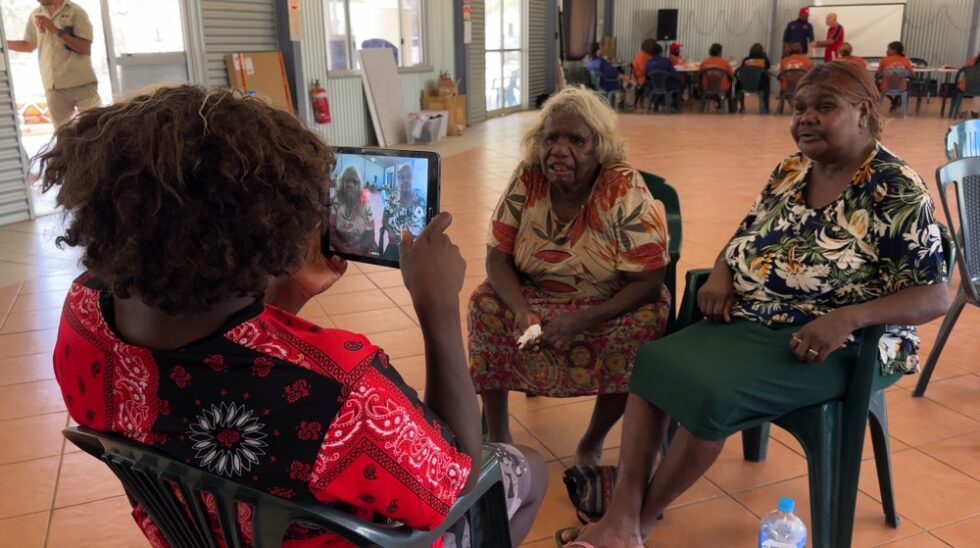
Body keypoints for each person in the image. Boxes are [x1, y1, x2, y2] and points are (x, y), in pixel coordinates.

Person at [42, 85, 546, 548]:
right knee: (526, 469)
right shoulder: (341, 390)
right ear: (270, 233)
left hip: (197, 531)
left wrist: (281, 294)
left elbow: (215, 365)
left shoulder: (82, 314)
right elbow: (453, 478)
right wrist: (438, 309)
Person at [559, 61, 950, 548]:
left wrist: (848, 317)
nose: (805, 118)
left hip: (834, 343)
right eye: (799, 107)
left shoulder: (894, 189)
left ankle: (633, 521)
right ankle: (625, 515)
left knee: (711, 393)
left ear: (864, 112)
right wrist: (723, 270)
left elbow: (934, 295)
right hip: (753, 319)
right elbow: (747, 236)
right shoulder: (792, 169)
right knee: (653, 360)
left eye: (824, 107)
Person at [469, 87, 670, 501]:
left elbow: (649, 282)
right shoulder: (528, 177)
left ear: (600, 146)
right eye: (551, 138)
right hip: (534, 294)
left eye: (576, 140)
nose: (560, 150)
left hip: (606, 302)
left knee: (647, 320)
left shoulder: (621, 186)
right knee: (484, 304)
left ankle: (592, 440)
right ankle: (500, 434)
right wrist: (523, 312)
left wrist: (582, 319)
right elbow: (497, 259)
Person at [6, 0, 99, 129]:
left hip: (82, 84)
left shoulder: (76, 11)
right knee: (63, 135)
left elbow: (84, 48)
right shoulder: (36, 15)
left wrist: (55, 30)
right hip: (54, 88)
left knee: (94, 130)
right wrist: (3, 43)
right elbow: (28, 46)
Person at [380, 164, 427, 260]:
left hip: (415, 248)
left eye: (409, 177)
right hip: (395, 246)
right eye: (402, 177)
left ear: (412, 178)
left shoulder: (421, 197)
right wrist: (389, 230)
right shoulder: (393, 197)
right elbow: (384, 218)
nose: (406, 180)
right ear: (398, 180)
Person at [329, 165, 377, 255]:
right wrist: (342, 247)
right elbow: (331, 229)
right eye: (347, 180)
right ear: (342, 183)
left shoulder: (364, 202)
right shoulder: (337, 200)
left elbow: (370, 231)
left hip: (360, 247)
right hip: (339, 247)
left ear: (359, 185)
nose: (350, 184)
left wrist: (358, 248)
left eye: (355, 182)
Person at [876, 41, 915, 113]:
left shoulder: (884, 60)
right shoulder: (905, 60)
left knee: (877, 84)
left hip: (885, 87)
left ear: (895, 50)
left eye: (889, 49)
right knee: (908, 84)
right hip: (901, 87)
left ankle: (894, 101)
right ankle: (896, 101)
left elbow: (877, 74)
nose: (887, 51)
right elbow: (912, 75)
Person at [643, 42, 681, 111]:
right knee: (678, 83)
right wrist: (678, 78)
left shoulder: (648, 63)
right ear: (661, 52)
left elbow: (646, 76)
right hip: (667, 85)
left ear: (651, 53)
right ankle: (675, 105)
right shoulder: (666, 61)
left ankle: (656, 103)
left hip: (654, 86)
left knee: (655, 86)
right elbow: (674, 74)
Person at [737, 43, 772, 112]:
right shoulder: (764, 61)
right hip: (759, 85)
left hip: (745, 85)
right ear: (762, 52)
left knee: (739, 82)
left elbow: (741, 70)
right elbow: (768, 68)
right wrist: (765, 56)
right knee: (766, 80)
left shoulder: (745, 60)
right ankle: (765, 107)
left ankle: (742, 106)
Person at [699, 43, 734, 110]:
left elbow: (699, 74)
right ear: (719, 53)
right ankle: (730, 107)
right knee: (730, 83)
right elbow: (731, 75)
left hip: (706, 87)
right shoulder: (725, 62)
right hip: (722, 87)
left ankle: (703, 106)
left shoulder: (704, 62)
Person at [956, 53, 980, 117]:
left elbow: (963, 69)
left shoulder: (972, 60)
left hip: (967, 86)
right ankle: (975, 111)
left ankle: (964, 111)